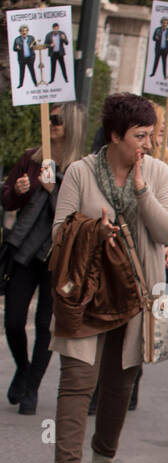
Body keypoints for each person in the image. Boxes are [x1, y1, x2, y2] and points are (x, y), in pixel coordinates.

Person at [36, 93, 168, 463]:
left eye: (151, 135)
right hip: (86, 292)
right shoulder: (80, 172)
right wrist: (92, 230)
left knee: (119, 385)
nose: (147, 144)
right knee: (77, 382)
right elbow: (60, 231)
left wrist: (142, 194)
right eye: (139, 136)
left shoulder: (157, 173)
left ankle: (104, 460)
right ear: (115, 135)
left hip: (137, 294)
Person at [4, 103, 86, 415]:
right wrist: (20, 190)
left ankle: (32, 388)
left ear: (72, 126)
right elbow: (8, 198)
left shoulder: (82, 168)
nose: (49, 123)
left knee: (44, 324)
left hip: (59, 256)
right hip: (25, 250)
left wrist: (54, 191)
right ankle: (22, 369)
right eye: (49, 118)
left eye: (56, 120)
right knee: (13, 319)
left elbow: (78, 218)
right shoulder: (32, 157)